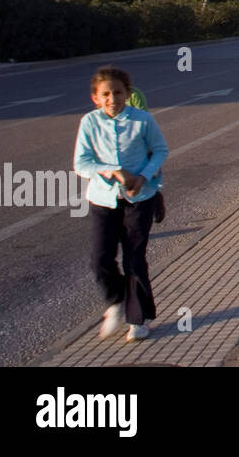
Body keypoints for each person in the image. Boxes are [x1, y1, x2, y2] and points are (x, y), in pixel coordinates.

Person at [73, 66, 169, 342]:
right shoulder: (89, 123)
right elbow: (81, 162)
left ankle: (138, 319)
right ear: (95, 97)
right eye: (105, 94)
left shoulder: (142, 120)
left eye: (118, 92)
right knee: (100, 258)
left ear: (128, 93)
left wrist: (144, 176)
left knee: (134, 258)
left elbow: (160, 150)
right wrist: (112, 170)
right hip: (103, 199)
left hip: (139, 198)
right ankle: (116, 300)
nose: (112, 98)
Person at [125, 86, 167, 224]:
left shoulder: (134, 94)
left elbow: (143, 118)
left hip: (137, 142)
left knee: (140, 180)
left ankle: (155, 199)